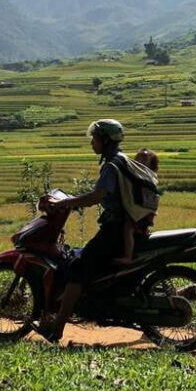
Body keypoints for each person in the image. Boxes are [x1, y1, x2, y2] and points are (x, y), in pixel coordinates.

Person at [34, 119, 128, 343]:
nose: (91, 143)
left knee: (77, 268)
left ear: (104, 140)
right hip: (122, 228)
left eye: (94, 138)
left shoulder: (111, 166)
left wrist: (67, 203)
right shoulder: (122, 160)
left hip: (113, 230)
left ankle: (56, 329)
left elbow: (97, 196)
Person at [115, 148, 159, 266]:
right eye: (138, 157)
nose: (140, 160)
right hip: (142, 209)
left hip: (142, 210)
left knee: (128, 228)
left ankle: (128, 257)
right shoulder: (140, 173)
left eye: (144, 158)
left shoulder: (145, 175)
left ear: (151, 164)